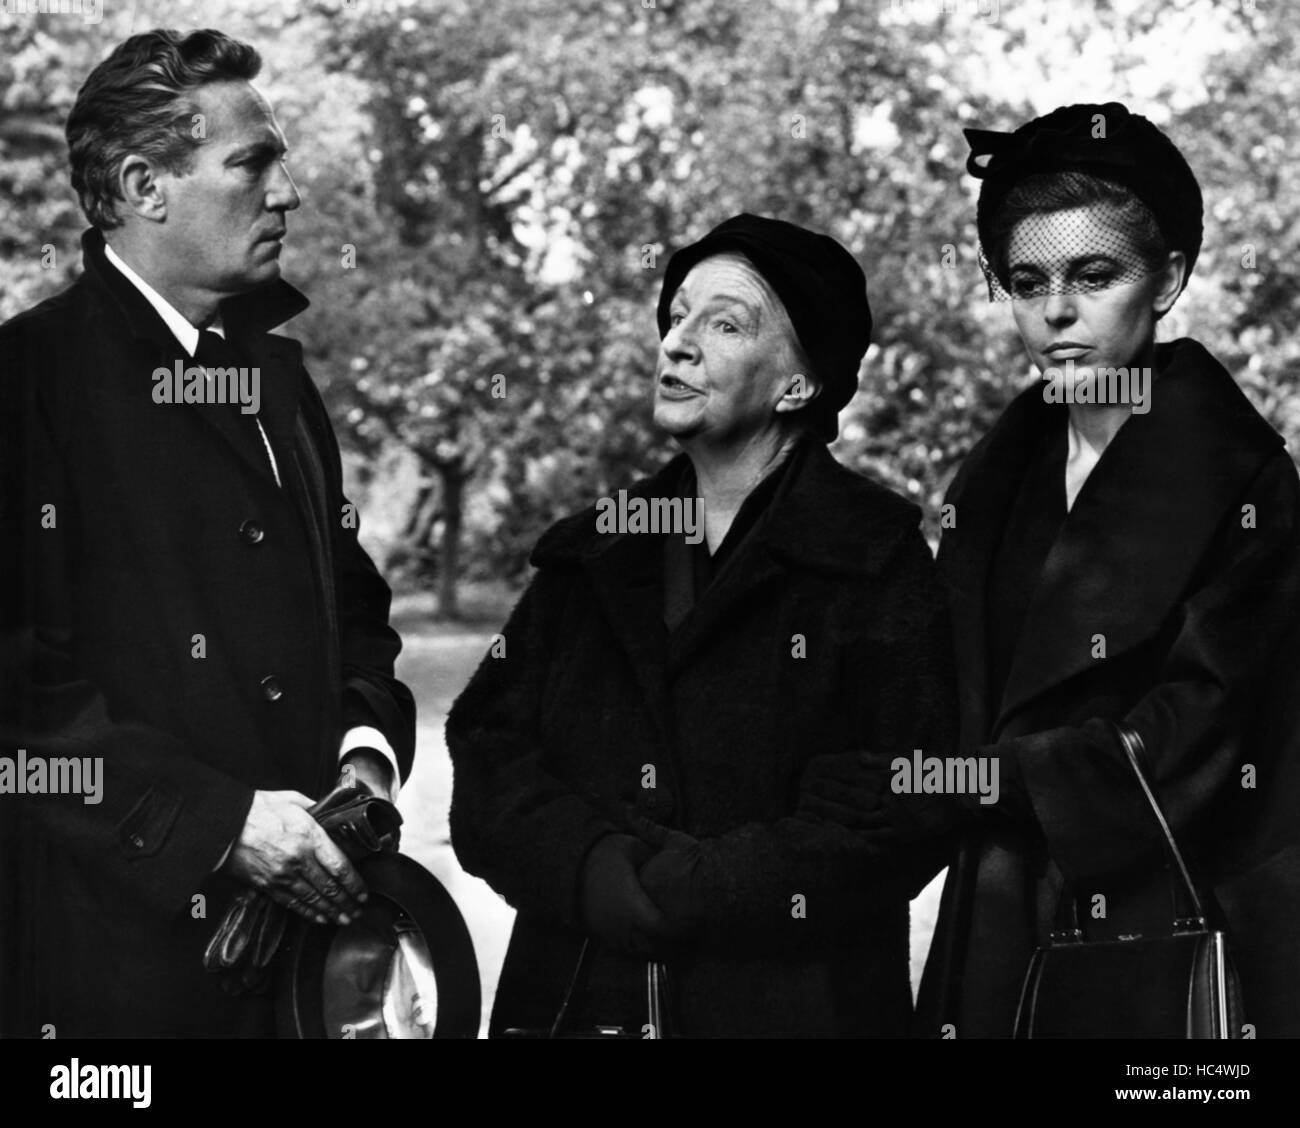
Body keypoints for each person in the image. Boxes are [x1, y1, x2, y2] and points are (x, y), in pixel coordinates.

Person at [447, 213, 959, 1038]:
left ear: (799, 384)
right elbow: (489, 749)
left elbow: (910, 791)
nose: (676, 344)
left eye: (725, 324)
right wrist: (586, 867)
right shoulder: (592, 554)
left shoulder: (875, 561)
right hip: (577, 996)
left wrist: (706, 886)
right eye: (677, 314)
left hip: (793, 1009)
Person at [0, 28, 415, 1038]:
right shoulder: (28, 383)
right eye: (254, 162)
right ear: (146, 186)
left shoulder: (282, 380)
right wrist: (223, 824)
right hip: (107, 985)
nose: (289, 192)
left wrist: (364, 752)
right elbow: (17, 701)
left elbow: (354, 606)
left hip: (309, 974)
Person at [913, 102, 1300, 1037]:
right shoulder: (998, 481)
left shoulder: (1246, 481)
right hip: (998, 912)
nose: (1055, 312)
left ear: (1166, 278)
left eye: (1093, 276)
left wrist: (996, 779)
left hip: (1173, 916)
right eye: (1025, 280)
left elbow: (1204, 728)